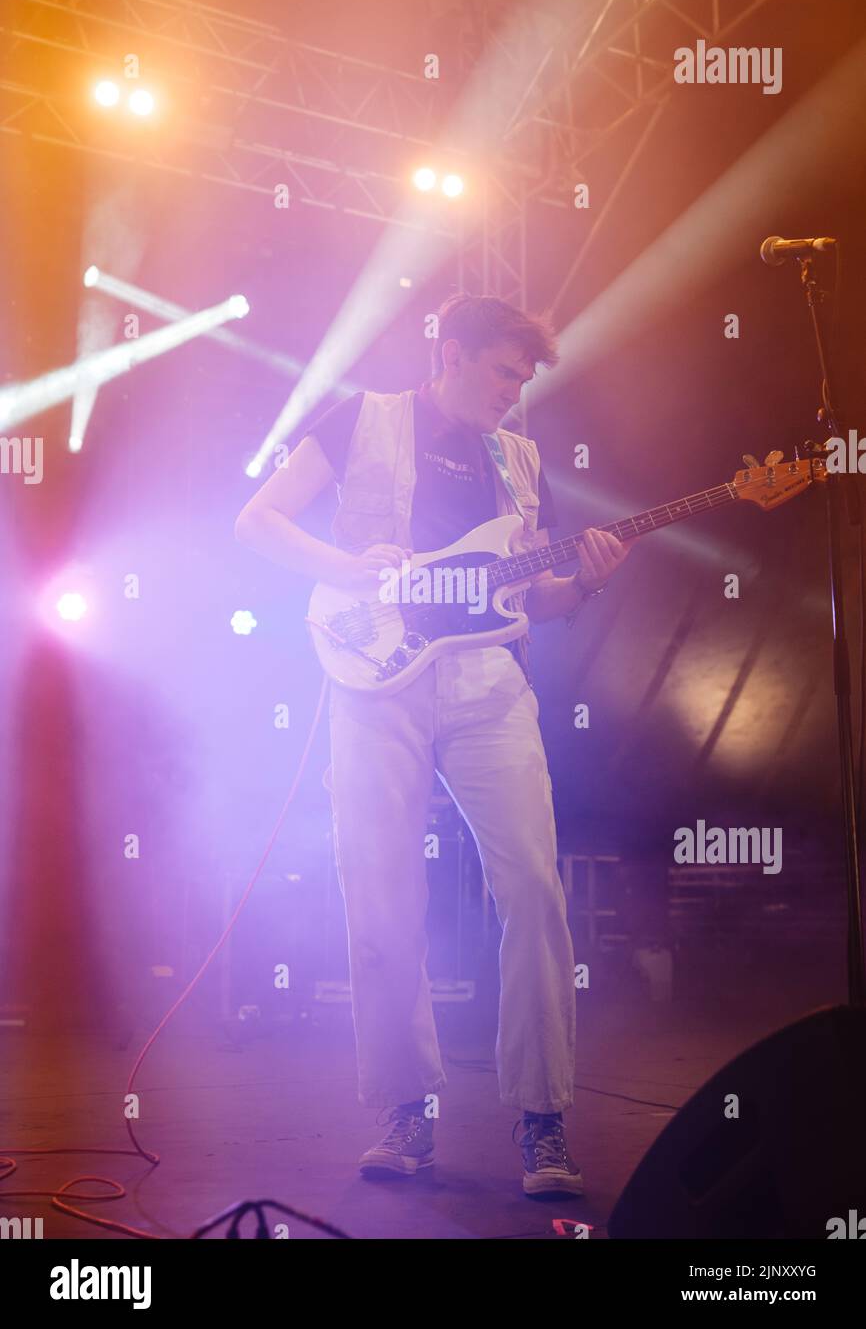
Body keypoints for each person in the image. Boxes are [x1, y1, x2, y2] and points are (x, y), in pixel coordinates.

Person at [235, 293, 633, 1196]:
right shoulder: (362, 419)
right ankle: (404, 1111)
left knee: (533, 888)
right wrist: (347, 568)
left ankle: (542, 1121)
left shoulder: (519, 460)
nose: (515, 391)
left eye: (526, 378)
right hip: (376, 678)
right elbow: (256, 521)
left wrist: (591, 582)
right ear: (451, 354)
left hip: (491, 684)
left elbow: (529, 597)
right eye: (503, 370)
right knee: (378, 894)